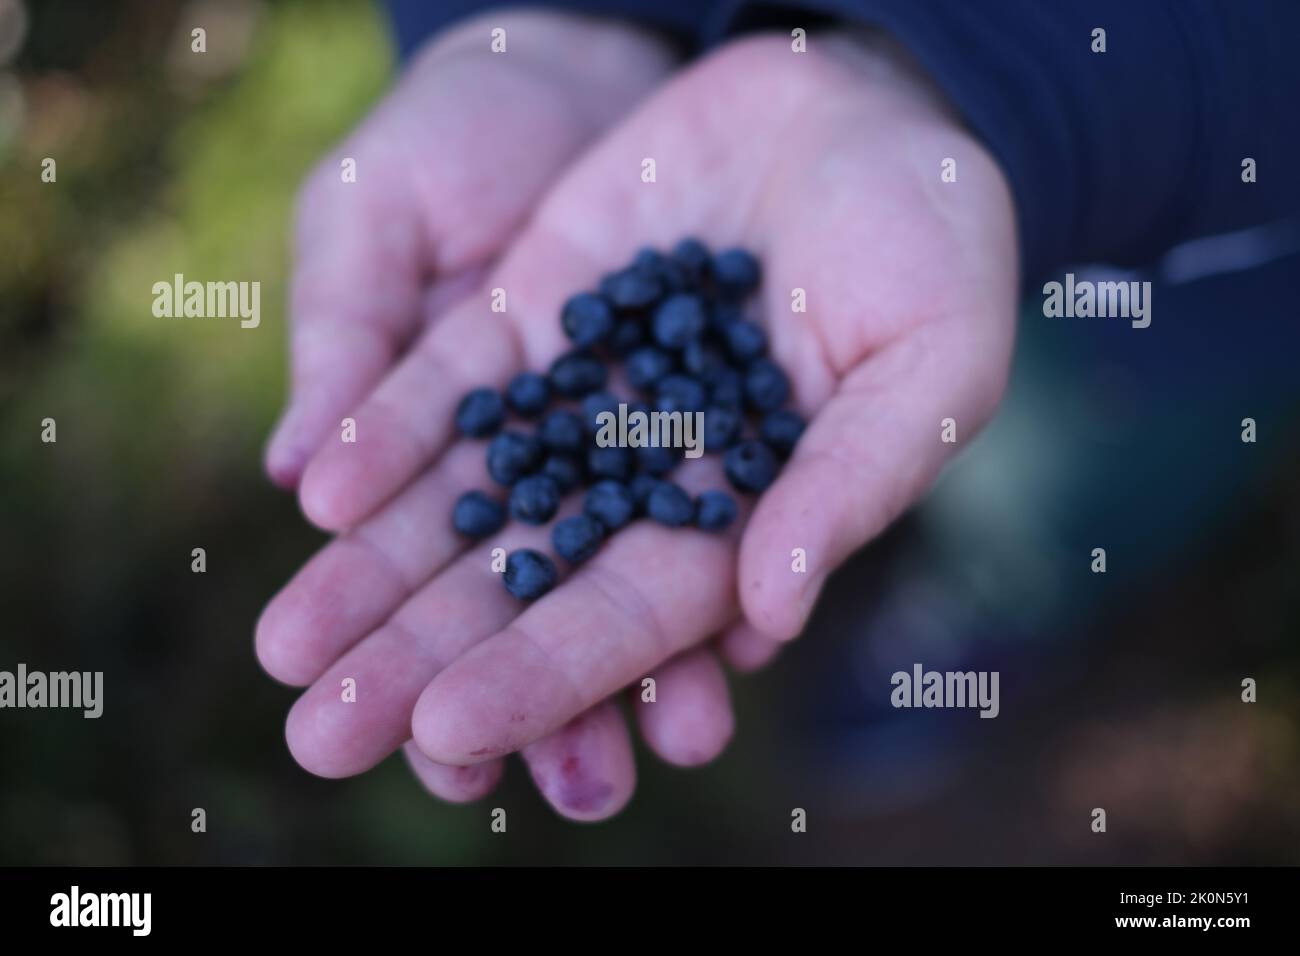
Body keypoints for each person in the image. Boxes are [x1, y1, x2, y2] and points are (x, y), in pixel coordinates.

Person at [255, 1, 1300, 821]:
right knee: (958, 440)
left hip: (1209, 285)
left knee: (1069, 490)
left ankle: (989, 608)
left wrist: (974, 76)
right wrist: (545, 18)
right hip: (880, 164)